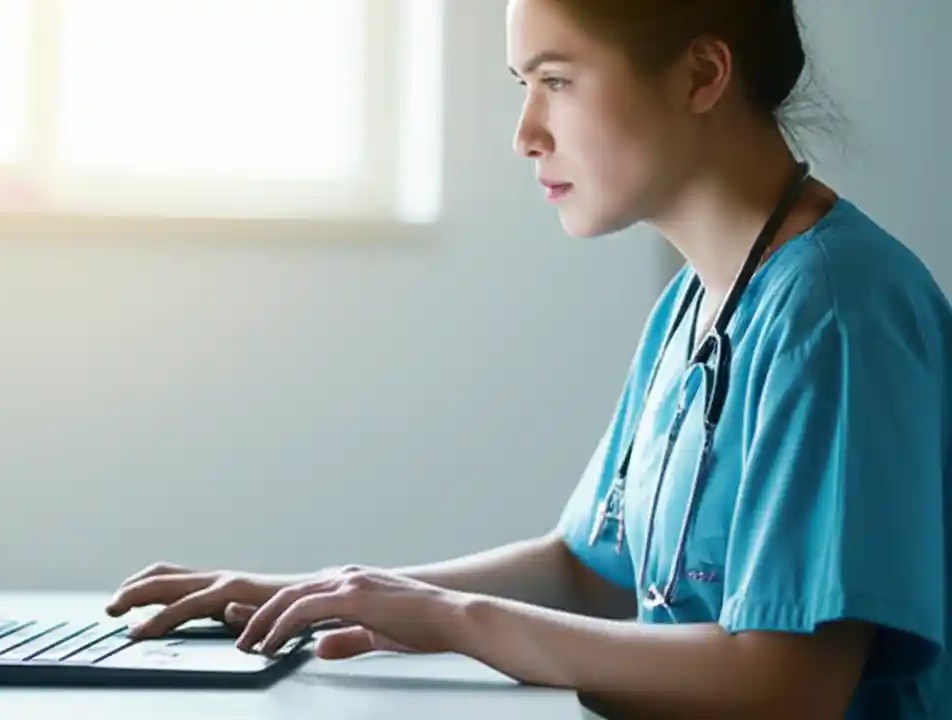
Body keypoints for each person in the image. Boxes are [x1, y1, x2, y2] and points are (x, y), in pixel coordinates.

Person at [105, 1, 952, 717]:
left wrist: (460, 619)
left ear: (701, 75)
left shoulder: (836, 310)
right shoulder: (699, 301)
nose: (525, 135)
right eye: (523, 87)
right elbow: (590, 570)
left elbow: (788, 687)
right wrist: (326, 592)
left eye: (556, 82)